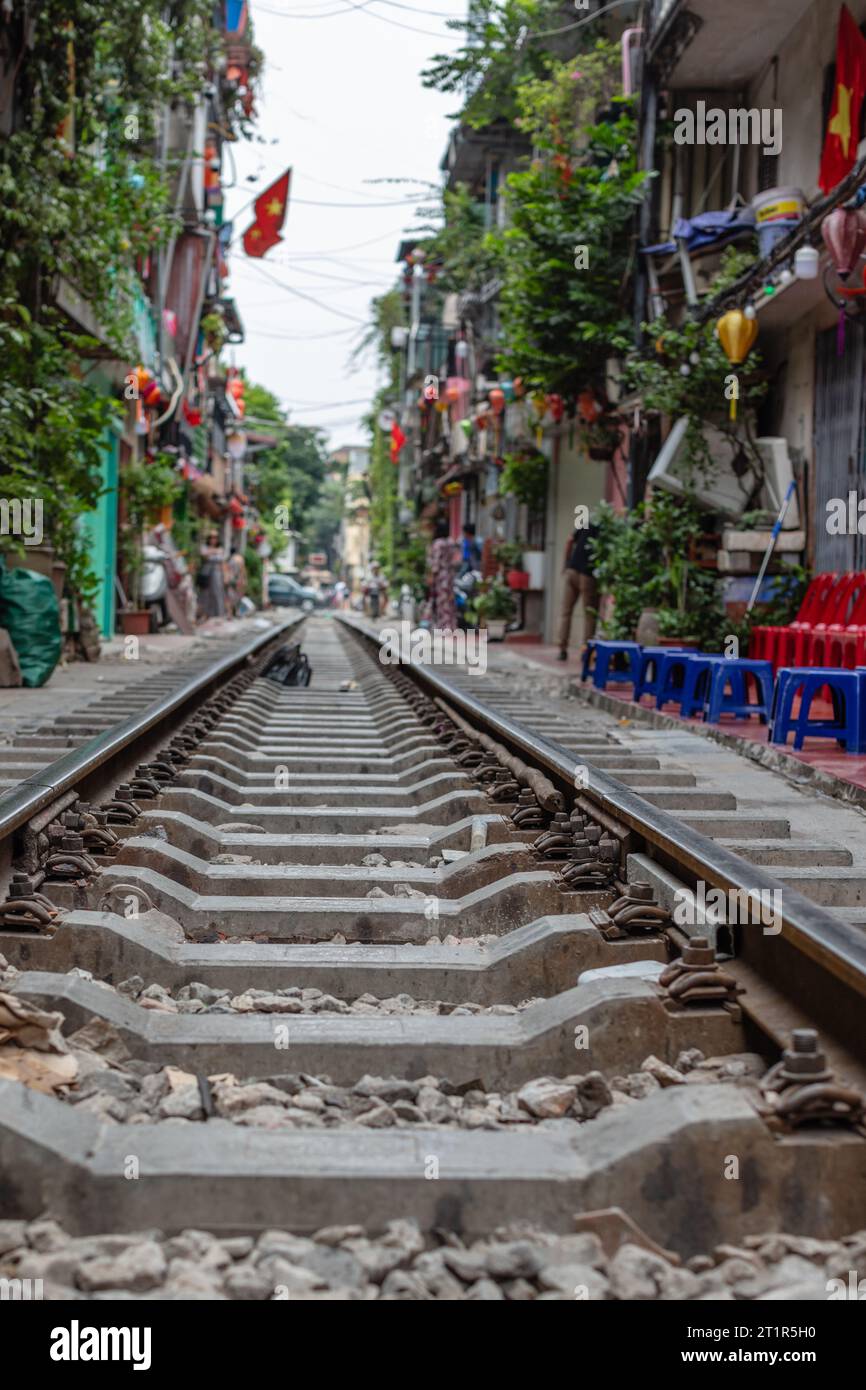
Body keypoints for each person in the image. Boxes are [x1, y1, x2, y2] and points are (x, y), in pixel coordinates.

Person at [557, 519, 599, 661]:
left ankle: (562, 649)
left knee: (566, 612)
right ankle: (586, 651)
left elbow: (569, 541)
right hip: (588, 575)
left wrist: (566, 564)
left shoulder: (587, 523)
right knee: (589, 615)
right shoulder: (604, 528)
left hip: (572, 571)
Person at [428, 518, 460, 630]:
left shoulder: (438, 544)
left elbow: (436, 562)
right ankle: (451, 625)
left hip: (441, 575)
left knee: (441, 601)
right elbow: (455, 560)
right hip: (450, 574)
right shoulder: (451, 543)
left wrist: (432, 575)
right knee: (450, 599)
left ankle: (443, 625)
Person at [197, 529, 226, 620]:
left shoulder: (220, 548)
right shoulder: (204, 547)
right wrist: (214, 551)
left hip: (217, 572)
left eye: (215, 538)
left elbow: (222, 561)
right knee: (205, 593)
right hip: (206, 572)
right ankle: (205, 614)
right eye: (211, 538)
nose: (213, 540)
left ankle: (219, 614)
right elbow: (204, 554)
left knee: (217, 592)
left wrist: (225, 575)